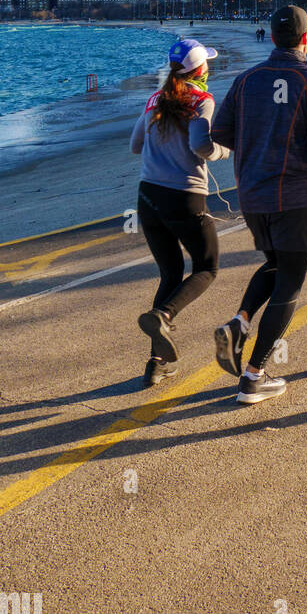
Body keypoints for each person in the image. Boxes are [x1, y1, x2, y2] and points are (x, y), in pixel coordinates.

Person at [211, 5, 307, 404]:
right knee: (290, 282)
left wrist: (261, 141)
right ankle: (254, 375)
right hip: (294, 198)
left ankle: (241, 320)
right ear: (306, 39)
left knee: (275, 264)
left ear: (271, 38)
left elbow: (221, 133)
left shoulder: (245, 80)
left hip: (251, 196)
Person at [130, 38, 230, 388]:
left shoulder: (155, 99)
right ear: (201, 70)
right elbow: (201, 145)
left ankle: (157, 363)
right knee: (207, 266)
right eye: (209, 65)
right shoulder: (202, 100)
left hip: (148, 198)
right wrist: (222, 152)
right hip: (184, 197)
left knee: (171, 273)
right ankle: (164, 314)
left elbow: (135, 145)